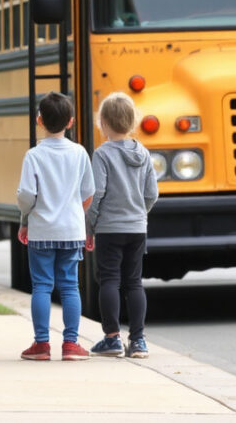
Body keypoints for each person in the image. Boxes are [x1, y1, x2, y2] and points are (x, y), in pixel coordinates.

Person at [15, 92, 95, 361]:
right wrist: (74, 214)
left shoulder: (34, 155)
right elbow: (88, 193)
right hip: (72, 229)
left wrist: (26, 218)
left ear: (39, 121)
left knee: (42, 286)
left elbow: (26, 195)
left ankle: (41, 344)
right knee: (70, 286)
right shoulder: (80, 153)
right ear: (70, 122)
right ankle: (71, 344)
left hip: (41, 230)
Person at [86, 92, 159, 359]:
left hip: (109, 227)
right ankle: (138, 340)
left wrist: (90, 227)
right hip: (137, 228)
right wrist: (140, 214)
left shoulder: (102, 155)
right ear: (132, 122)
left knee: (109, 281)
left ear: (103, 123)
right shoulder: (144, 153)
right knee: (134, 282)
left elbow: (97, 194)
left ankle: (112, 339)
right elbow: (152, 194)